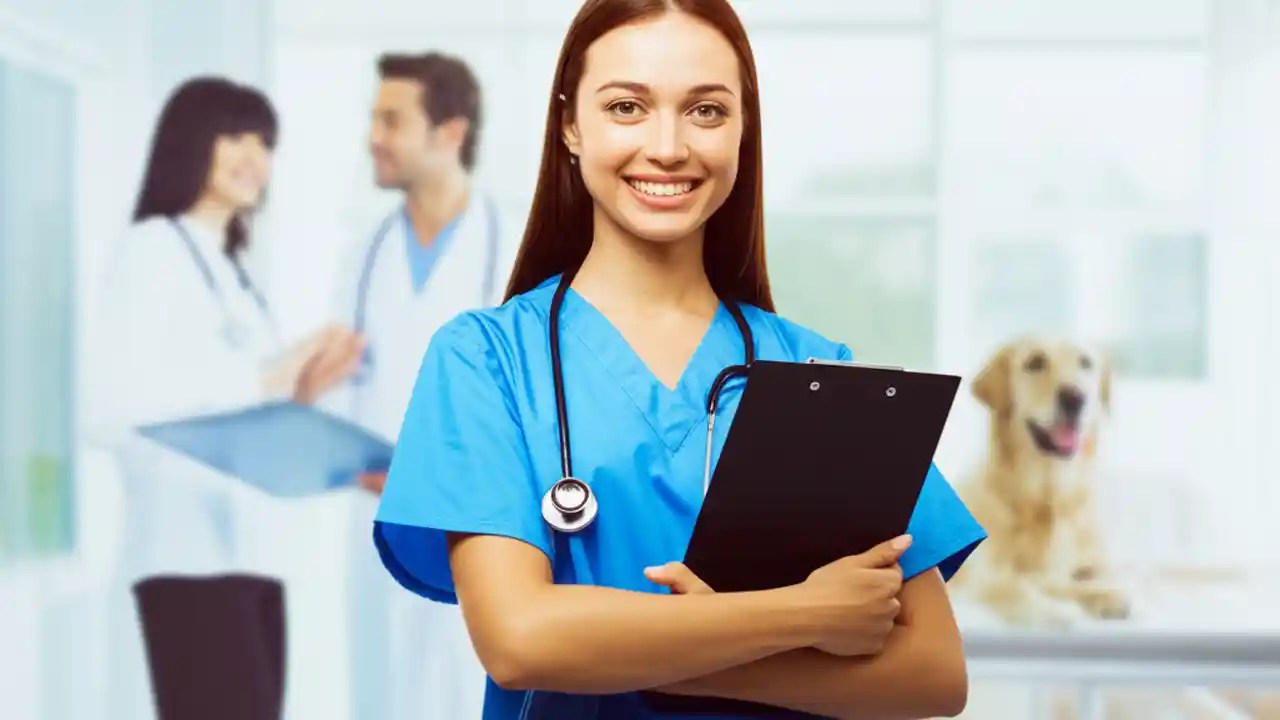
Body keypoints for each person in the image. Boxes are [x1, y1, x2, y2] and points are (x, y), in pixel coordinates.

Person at [372, 1, 987, 718]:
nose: (667, 147)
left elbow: (935, 674)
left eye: (706, 111)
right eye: (627, 106)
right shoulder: (485, 359)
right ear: (571, 125)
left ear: (742, 130)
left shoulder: (821, 372)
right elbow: (520, 638)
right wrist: (807, 614)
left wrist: (687, 667)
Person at [87, 76, 363, 720]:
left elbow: (241, 410)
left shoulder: (237, 273)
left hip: (254, 559)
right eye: (235, 135)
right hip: (187, 561)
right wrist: (266, 377)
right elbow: (111, 410)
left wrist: (301, 392)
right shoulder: (150, 250)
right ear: (191, 142)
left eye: (265, 143)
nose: (254, 158)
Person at [324, 51, 508, 720]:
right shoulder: (364, 252)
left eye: (391, 120)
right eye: (374, 119)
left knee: (471, 687)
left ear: (449, 134)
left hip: (476, 518)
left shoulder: (511, 243)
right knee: (379, 691)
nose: (374, 136)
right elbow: (345, 383)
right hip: (378, 512)